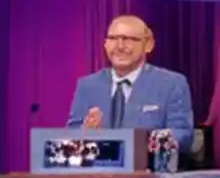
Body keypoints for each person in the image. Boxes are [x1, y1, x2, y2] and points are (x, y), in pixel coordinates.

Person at [67, 15, 195, 152]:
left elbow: (183, 136)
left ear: (148, 45)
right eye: (113, 38)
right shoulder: (87, 85)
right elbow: (71, 133)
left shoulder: (171, 84)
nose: (120, 46)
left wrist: (142, 145)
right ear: (105, 44)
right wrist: (85, 133)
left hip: (149, 164)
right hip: (99, 164)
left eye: (128, 39)